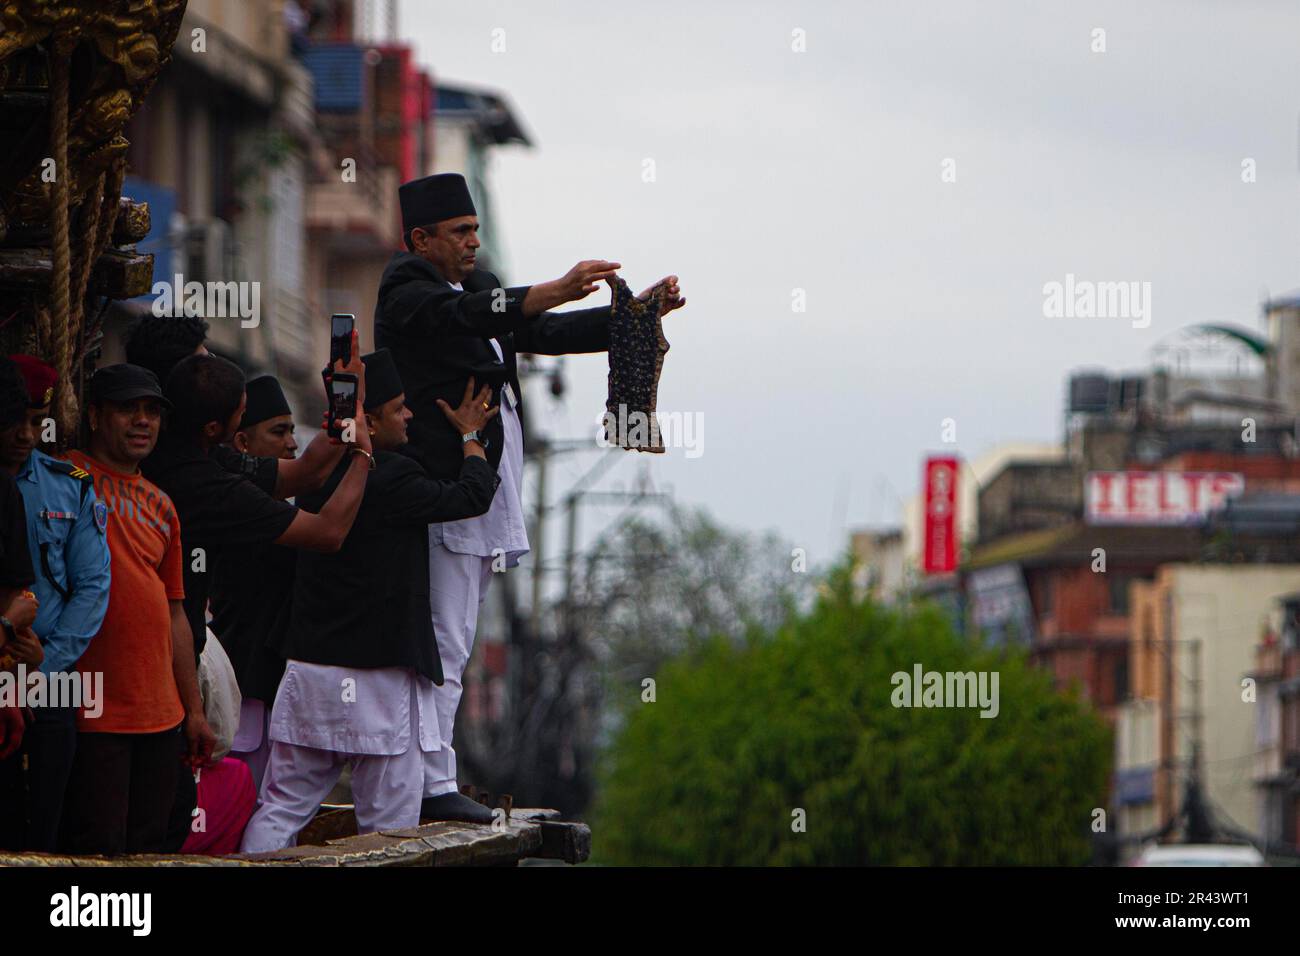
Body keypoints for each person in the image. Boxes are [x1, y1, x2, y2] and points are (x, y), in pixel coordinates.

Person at [373, 172, 685, 821]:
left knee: (454, 637)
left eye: (476, 230)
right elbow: (460, 317)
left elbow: (544, 334)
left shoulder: (479, 289)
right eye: (459, 232)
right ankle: (431, 784)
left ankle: (433, 778)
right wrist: (549, 289)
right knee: (444, 640)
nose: (472, 243)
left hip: (483, 488)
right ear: (420, 238)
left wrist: (635, 315)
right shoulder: (407, 291)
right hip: (443, 488)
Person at [241, 349, 497, 851]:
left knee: (281, 808)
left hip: (310, 673)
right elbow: (472, 497)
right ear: (371, 424)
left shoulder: (313, 476)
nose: (409, 416)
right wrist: (470, 437)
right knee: (387, 832)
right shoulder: (393, 476)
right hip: (377, 687)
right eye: (398, 408)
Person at [57, 364, 215, 855]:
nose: (142, 421)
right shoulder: (64, 477)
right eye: (128, 409)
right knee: (96, 847)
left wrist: (193, 710)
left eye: (151, 411)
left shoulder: (161, 504)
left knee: (152, 849)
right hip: (91, 707)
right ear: (96, 416)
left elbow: (176, 615)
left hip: (160, 715)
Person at [0, 355, 111, 852]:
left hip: (50, 670)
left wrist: (48, 664)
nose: (26, 435)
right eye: (16, 421)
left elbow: (92, 585)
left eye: (35, 423)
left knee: (48, 819)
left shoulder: (70, 485)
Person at [209, 375, 299, 790]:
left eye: (293, 431)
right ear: (242, 443)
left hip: (276, 695)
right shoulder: (240, 509)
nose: (292, 444)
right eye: (279, 432)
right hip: (240, 693)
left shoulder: (277, 510)